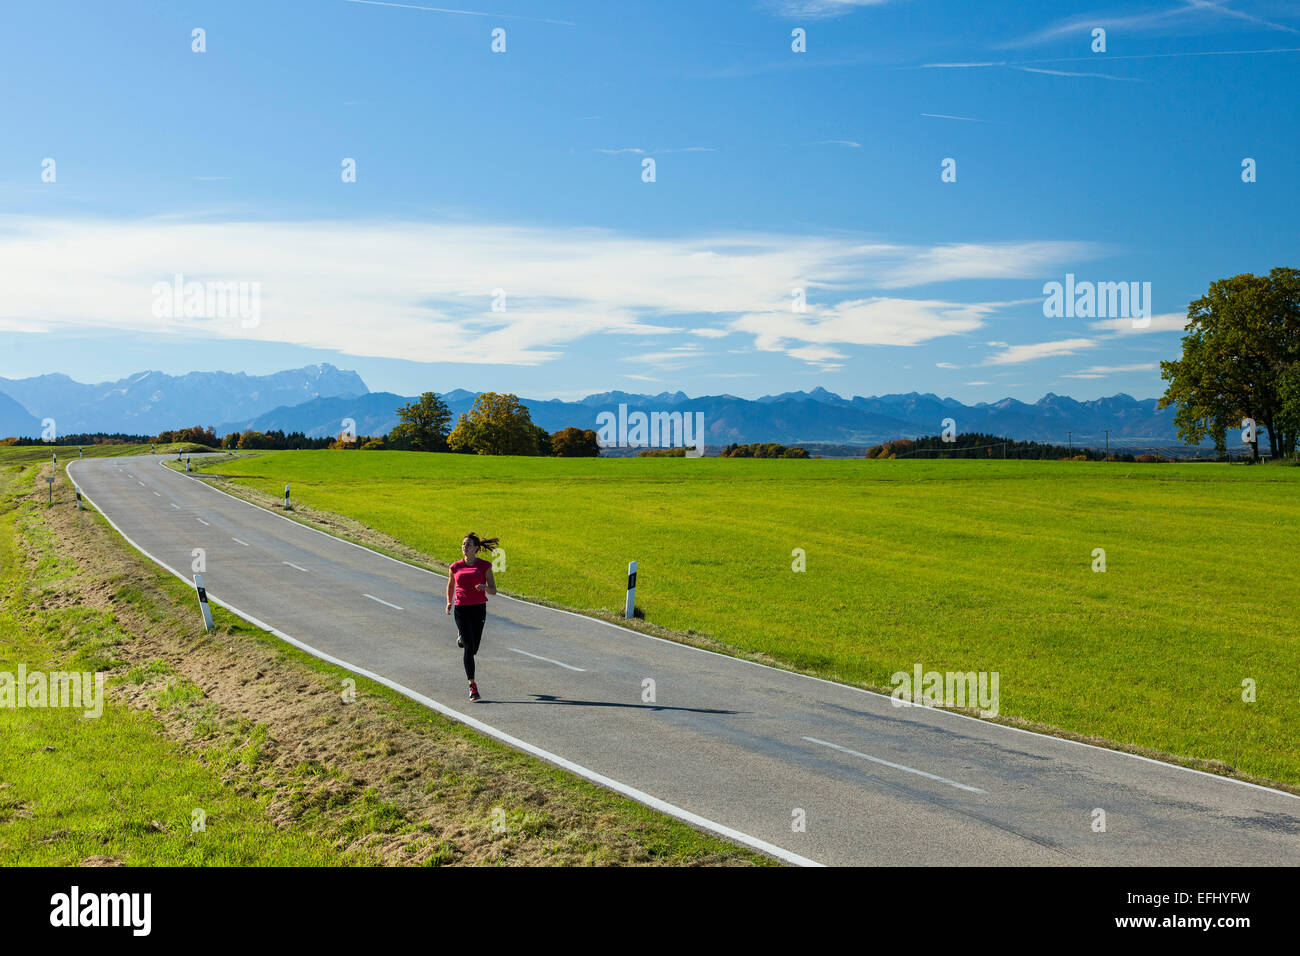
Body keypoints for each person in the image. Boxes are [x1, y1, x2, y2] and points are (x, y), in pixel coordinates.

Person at [445, 532, 498, 701]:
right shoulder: (455, 567)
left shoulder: (485, 566)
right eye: (463, 544)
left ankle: (462, 635)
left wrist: (484, 587)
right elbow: (450, 585)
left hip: (478, 609)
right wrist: (449, 602)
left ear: (476, 548)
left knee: (473, 649)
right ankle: (472, 686)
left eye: (468, 544)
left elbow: (494, 590)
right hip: (461, 609)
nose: (464, 547)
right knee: (468, 648)